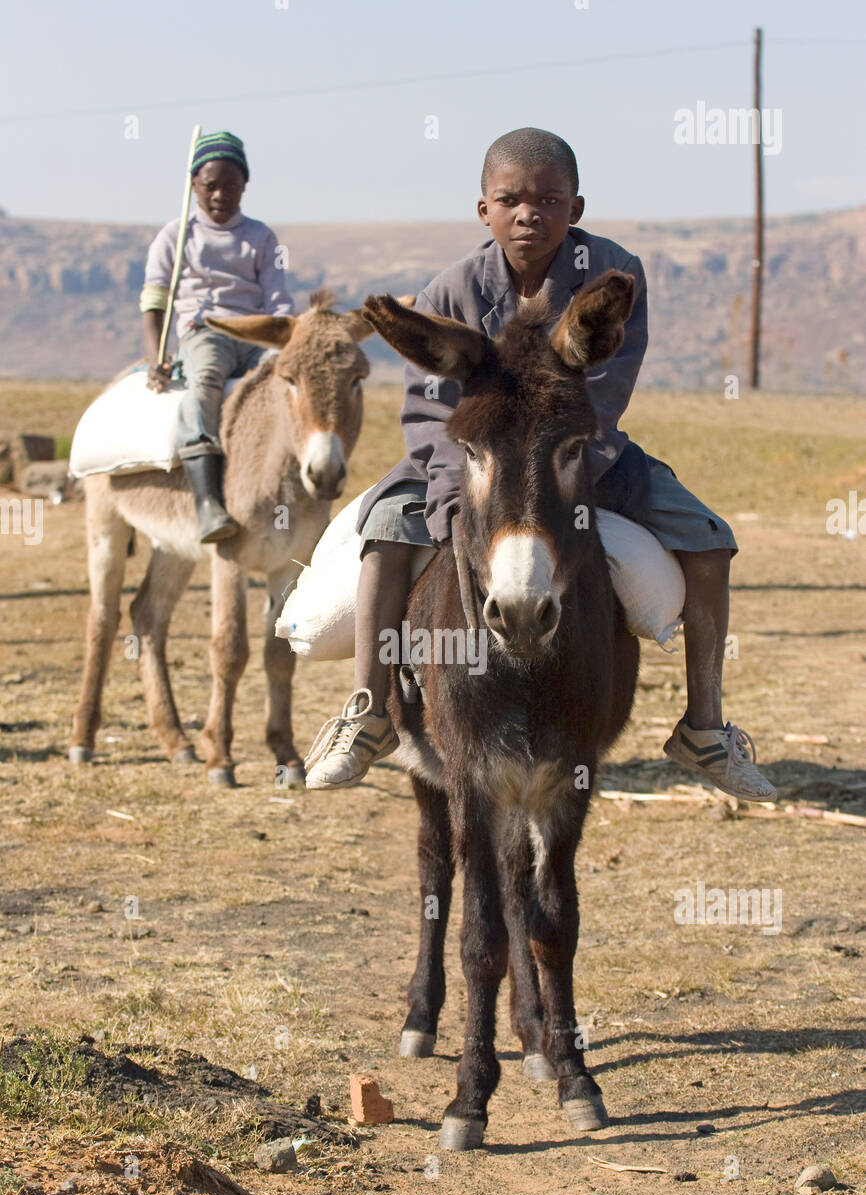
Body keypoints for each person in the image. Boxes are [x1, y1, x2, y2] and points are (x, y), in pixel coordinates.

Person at [304, 127, 776, 803]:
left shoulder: (613, 275)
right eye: (511, 199)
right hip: (470, 461)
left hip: (585, 455)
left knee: (708, 538)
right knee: (382, 530)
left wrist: (575, 472)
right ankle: (369, 712)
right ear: (484, 211)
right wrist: (450, 496)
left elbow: (606, 394)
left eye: (550, 199)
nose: (530, 213)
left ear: (575, 208)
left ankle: (705, 728)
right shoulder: (453, 289)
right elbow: (429, 407)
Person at [140, 130, 293, 542]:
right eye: (210, 186)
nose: (220, 195)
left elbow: (279, 300)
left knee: (285, 384)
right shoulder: (177, 235)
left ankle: (285, 484)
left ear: (245, 184)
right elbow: (154, 298)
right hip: (205, 332)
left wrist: (286, 345)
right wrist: (156, 357)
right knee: (205, 379)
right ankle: (207, 501)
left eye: (231, 185)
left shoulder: (261, 237)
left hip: (256, 333)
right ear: (194, 185)